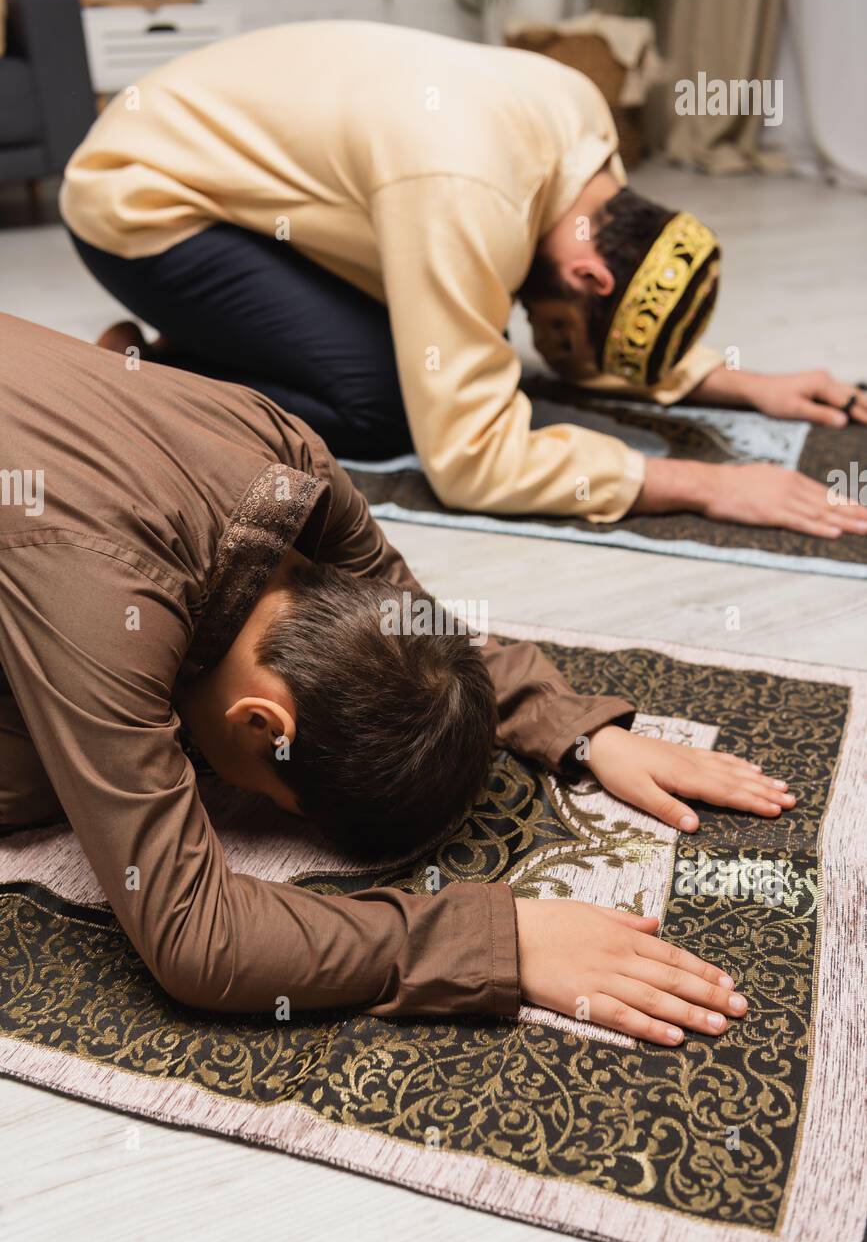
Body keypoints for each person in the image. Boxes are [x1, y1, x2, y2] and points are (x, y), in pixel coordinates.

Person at [0, 314, 794, 1042]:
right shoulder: (109, 606)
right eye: (264, 801)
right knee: (38, 776)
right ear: (262, 726)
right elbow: (196, 940)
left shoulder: (288, 461)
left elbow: (411, 616)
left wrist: (572, 724)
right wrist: (500, 942)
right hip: (61, 546)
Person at [60, 20, 867, 539]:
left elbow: (601, 316)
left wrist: (739, 384)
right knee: (382, 409)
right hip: (141, 195)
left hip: (241, 170)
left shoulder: (584, 131)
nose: (549, 347)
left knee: (425, 356)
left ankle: (216, 336)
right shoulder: (467, 191)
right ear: (588, 269)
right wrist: (702, 484)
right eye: (562, 333)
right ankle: (144, 375)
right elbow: (469, 461)